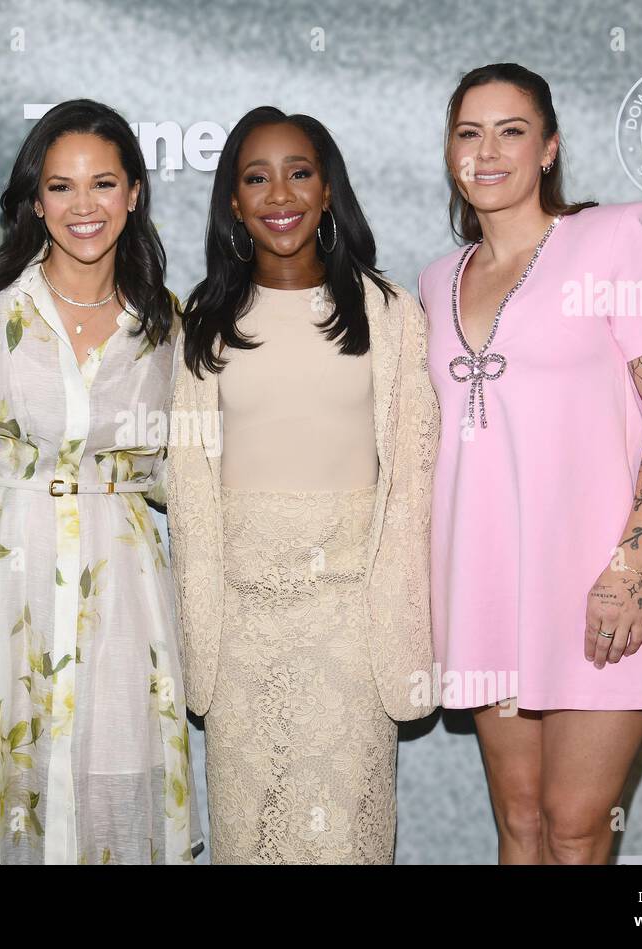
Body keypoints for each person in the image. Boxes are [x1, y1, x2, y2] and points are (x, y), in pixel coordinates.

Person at [418, 63, 642, 864]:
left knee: (576, 828)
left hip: (598, 585)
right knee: (521, 824)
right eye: (469, 132)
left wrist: (628, 569)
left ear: (548, 149)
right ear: (449, 151)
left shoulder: (617, 240)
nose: (488, 150)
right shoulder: (436, 281)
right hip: (487, 588)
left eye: (512, 131)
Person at [0, 99, 201, 865]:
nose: (84, 206)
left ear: (134, 193)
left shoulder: (165, 321)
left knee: (108, 775)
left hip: (122, 581)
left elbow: (186, 468)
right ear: (34, 198)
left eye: (103, 184)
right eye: (61, 186)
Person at [168, 106, 439, 864]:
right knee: (250, 830)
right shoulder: (202, 318)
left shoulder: (391, 315)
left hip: (352, 623)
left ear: (327, 192)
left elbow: (416, 479)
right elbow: (188, 487)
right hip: (242, 627)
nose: (279, 193)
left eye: (299, 173)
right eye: (256, 177)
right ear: (232, 200)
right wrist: (201, 628)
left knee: (345, 827)